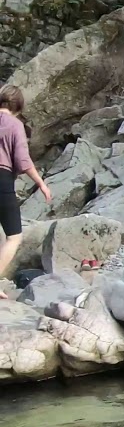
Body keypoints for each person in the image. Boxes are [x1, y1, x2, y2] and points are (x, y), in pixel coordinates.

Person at [0, 85, 52, 299]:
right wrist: (41, 183)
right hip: (1, 181)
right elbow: (22, 160)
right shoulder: (14, 125)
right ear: (17, 106)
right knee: (13, 236)